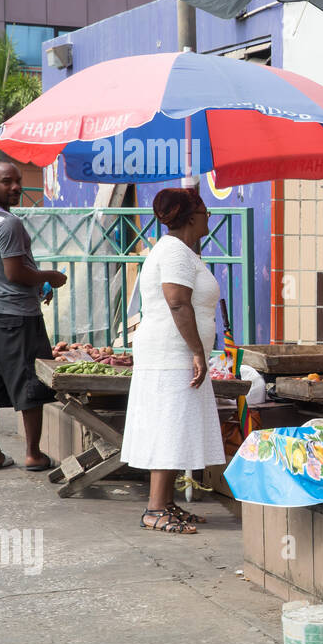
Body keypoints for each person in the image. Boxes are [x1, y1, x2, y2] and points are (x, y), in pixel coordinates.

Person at [120, 187, 224, 534]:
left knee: (176, 425)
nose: (210, 215)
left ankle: (165, 503)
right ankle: (154, 509)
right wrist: (197, 350)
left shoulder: (181, 251)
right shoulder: (176, 252)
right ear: (192, 215)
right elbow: (177, 302)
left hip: (173, 351)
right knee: (169, 425)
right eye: (205, 209)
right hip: (171, 353)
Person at [0, 156, 68, 472]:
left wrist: (37, 285)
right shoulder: (9, 223)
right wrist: (49, 277)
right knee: (30, 383)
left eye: (18, 181)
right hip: (16, 316)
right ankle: (33, 453)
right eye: (7, 182)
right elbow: (15, 273)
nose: (16, 187)